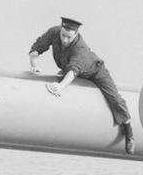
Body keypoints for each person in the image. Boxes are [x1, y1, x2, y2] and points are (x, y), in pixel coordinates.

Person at [29, 17, 135, 154]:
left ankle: (129, 130)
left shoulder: (80, 48)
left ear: (76, 34)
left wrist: (60, 87)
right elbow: (35, 50)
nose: (65, 40)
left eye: (69, 37)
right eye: (63, 35)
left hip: (94, 71)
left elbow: (74, 71)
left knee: (115, 98)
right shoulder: (54, 32)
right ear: (60, 30)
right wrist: (35, 66)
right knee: (63, 78)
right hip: (69, 69)